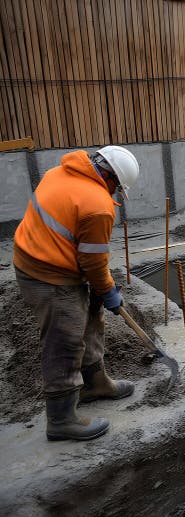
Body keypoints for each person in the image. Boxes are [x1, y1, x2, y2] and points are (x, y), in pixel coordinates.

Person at [14, 146, 140, 441]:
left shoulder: (57, 173)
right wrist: (108, 291)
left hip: (42, 259)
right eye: (118, 187)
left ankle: (96, 384)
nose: (116, 193)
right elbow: (94, 263)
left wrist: (100, 295)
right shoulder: (96, 205)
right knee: (64, 342)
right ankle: (60, 419)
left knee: (90, 320)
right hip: (48, 274)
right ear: (108, 177)